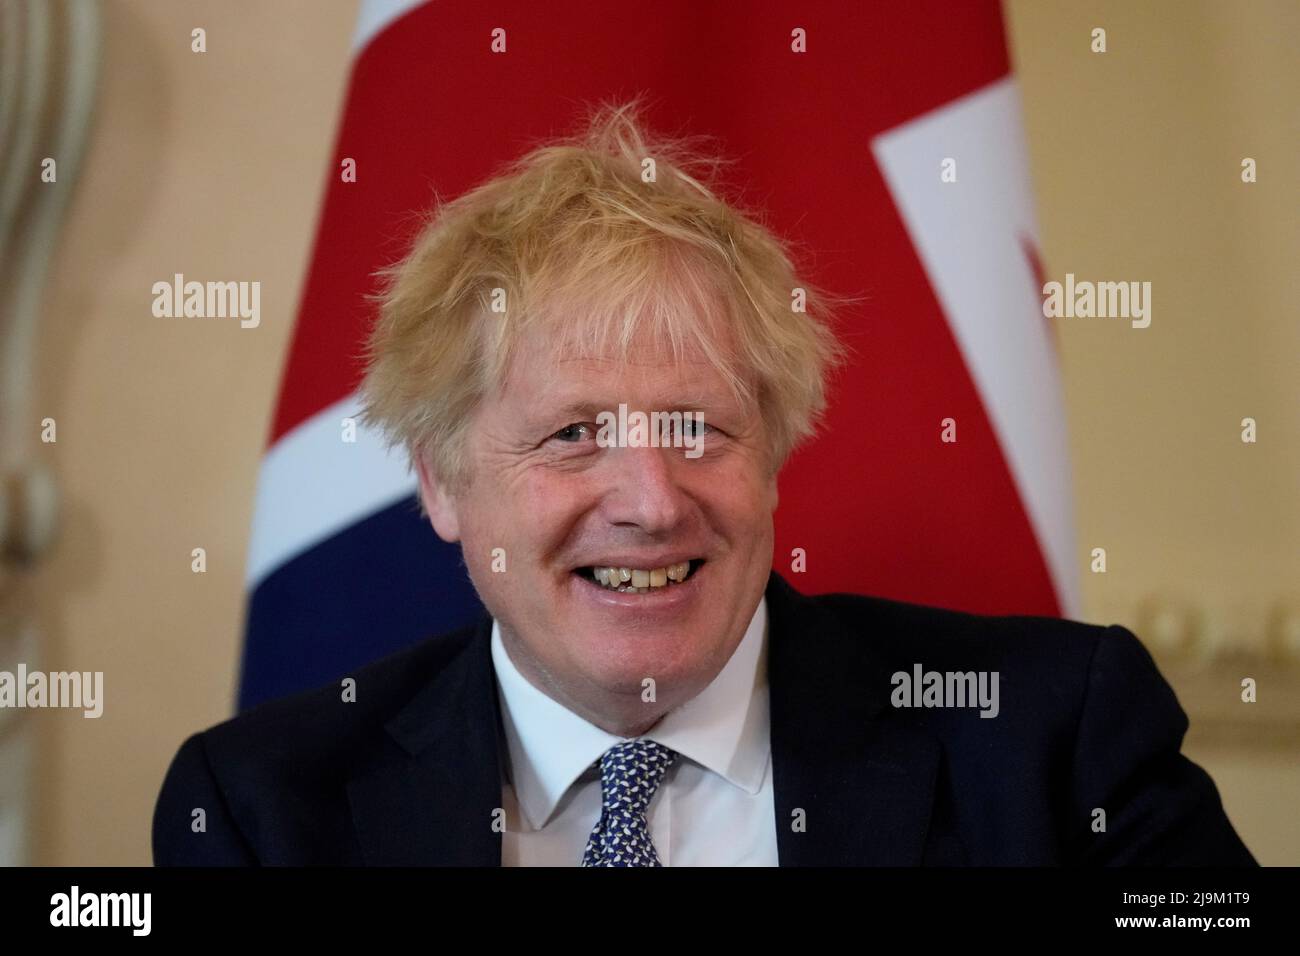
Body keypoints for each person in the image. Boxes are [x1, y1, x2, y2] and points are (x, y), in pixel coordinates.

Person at [153, 101, 1255, 866]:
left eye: (699, 426)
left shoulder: (1049, 740)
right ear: (441, 482)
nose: (651, 497)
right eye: (574, 434)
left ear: (772, 447)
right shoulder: (263, 810)